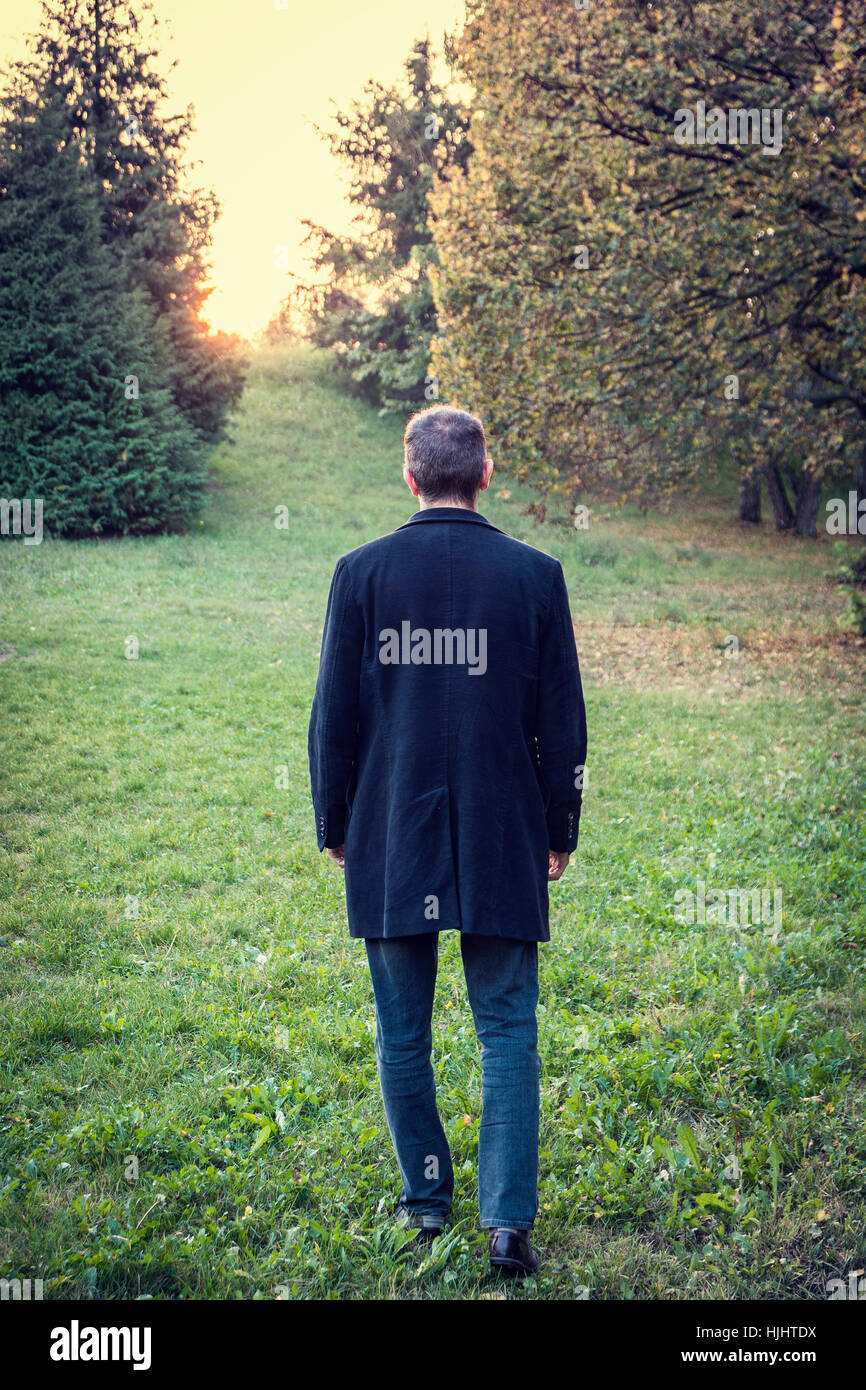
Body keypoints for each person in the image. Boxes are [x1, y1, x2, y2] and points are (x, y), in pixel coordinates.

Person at [308, 404, 587, 1278]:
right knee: (507, 1028)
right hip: (505, 828)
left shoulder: (361, 573)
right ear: (486, 473)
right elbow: (564, 724)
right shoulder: (536, 574)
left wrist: (334, 822)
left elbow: (332, 721)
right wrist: (559, 826)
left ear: (410, 474)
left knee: (404, 1034)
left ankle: (428, 1207)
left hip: (392, 826)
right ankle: (507, 1226)